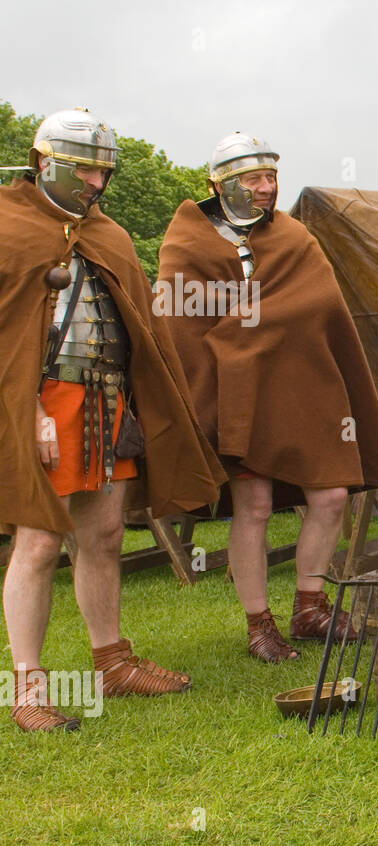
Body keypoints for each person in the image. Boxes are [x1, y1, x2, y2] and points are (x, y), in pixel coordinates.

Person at [0, 109, 224, 731]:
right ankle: (27, 688)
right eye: (85, 170)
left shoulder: (110, 235)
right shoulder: (5, 224)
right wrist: (28, 413)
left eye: (104, 172)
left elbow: (139, 333)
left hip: (106, 402)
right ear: (45, 162)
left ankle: (111, 663)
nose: (96, 184)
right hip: (42, 405)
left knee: (101, 537)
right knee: (39, 542)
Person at [158, 133, 378, 662]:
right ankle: (258, 623)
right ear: (219, 184)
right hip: (233, 393)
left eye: (271, 177)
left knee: (332, 494)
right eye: (254, 180)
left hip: (303, 383)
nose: (267, 188)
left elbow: (321, 306)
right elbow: (180, 322)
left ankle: (309, 606)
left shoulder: (293, 235)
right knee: (256, 504)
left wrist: (269, 320)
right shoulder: (188, 239)